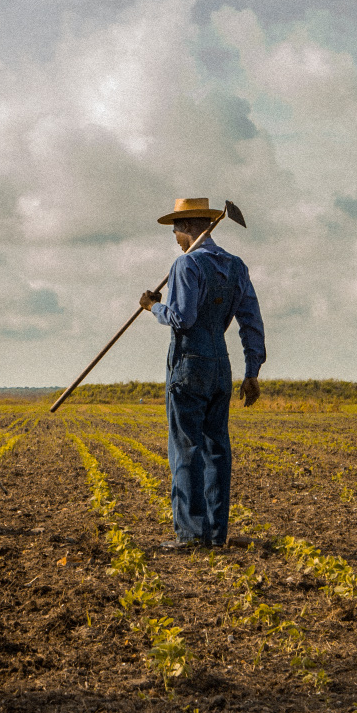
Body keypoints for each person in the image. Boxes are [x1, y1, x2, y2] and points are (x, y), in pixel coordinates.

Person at [139, 198, 265, 549]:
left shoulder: (186, 263)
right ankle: (215, 533)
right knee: (216, 450)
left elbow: (182, 318)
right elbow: (251, 320)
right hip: (221, 366)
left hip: (188, 364)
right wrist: (252, 370)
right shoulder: (236, 266)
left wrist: (153, 307)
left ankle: (191, 535)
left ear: (191, 227)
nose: (176, 237)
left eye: (176, 230)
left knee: (185, 449)